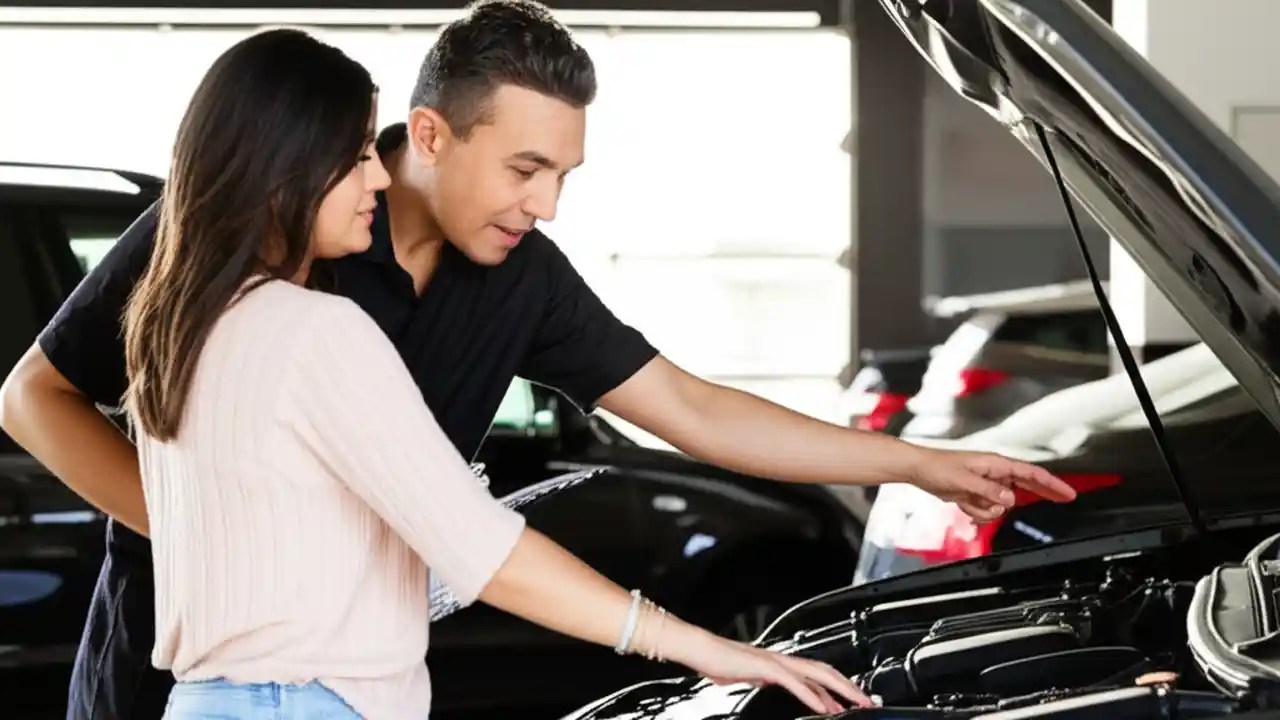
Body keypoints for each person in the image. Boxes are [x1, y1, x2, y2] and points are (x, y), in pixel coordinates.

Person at [0, 2, 1076, 718]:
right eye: (523, 166)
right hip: (166, 658)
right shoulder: (246, 242)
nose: (544, 202)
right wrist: (217, 532)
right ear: (426, 135)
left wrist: (911, 462)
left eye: (562, 172)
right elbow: (35, 397)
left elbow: (690, 411)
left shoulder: (520, 275)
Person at [114, 27, 872, 719]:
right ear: (285, 171)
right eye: (354, 159)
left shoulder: (182, 328)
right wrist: (720, 652)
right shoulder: (318, 329)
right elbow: (486, 552)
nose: (378, 181)